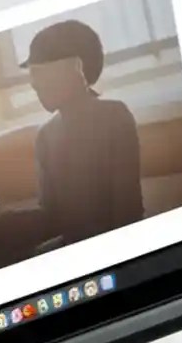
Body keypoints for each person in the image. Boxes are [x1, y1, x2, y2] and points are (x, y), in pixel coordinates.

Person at [22, 20, 144, 244]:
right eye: (32, 74)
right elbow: (51, 216)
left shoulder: (115, 116)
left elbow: (128, 210)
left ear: (75, 69)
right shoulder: (45, 136)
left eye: (39, 72)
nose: (34, 84)